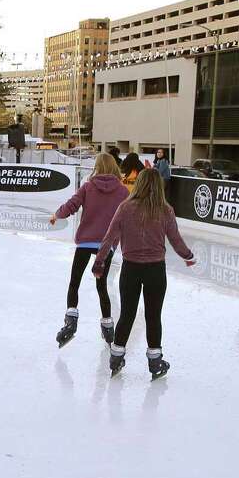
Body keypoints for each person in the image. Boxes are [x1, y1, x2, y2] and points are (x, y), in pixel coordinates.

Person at [93, 167, 196, 379]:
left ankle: (116, 357)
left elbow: (109, 237)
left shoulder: (125, 207)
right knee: (153, 315)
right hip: (155, 271)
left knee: (127, 314)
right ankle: (155, 361)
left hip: (130, 269)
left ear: (138, 183)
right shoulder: (165, 209)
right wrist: (188, 256)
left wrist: (99, 262)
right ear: (159, 186)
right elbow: (175, 240)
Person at [48, 152, 127, 348]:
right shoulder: (123, 191)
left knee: (74, 282)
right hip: (106, 246)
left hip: (85, 242)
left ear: (97, 166)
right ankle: (108, 327)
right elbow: (130, 215)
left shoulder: (88, 187)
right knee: (102, 287)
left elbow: (71, 206)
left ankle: (71, 321)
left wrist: (57, 215)